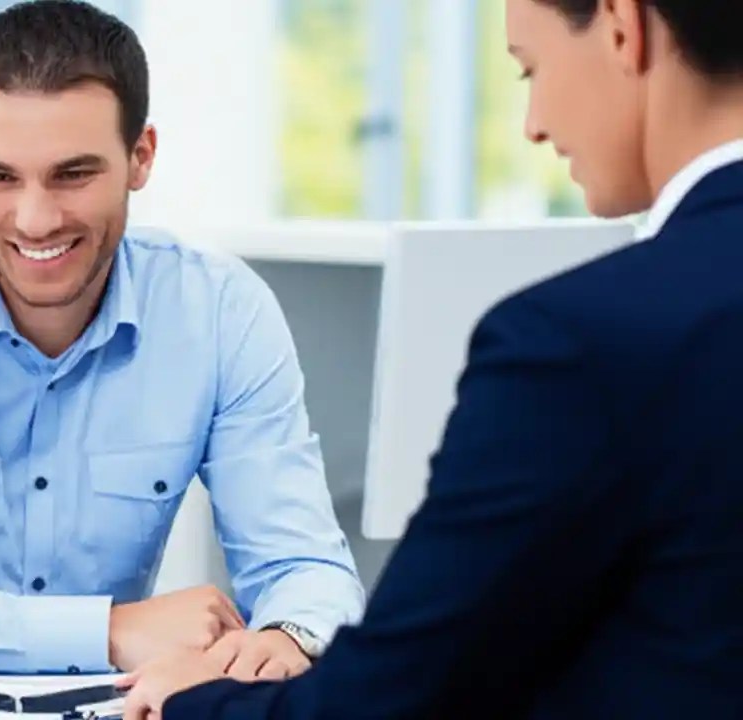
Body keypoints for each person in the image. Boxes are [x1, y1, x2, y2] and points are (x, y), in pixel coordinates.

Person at [122, 0, 743, 717]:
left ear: (621, 26)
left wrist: (195, 701)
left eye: (529, 70)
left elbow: (389, 702)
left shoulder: (578, 341)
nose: (533, 124)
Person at [0, 0, 363, 677]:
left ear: (142, 156)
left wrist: (286, 636)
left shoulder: (220, 310)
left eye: (73, 174)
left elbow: (304, 566)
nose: (35, 218)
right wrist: (103, 632)